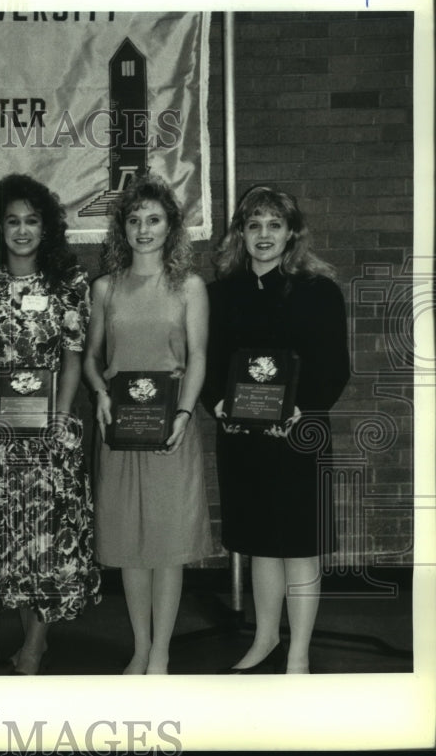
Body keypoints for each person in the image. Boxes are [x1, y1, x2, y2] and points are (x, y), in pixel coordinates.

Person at [0, 174, 102, 676]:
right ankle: (27, 638)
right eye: (12, 221)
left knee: (46, 537)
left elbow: (76, 354)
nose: (21, 230)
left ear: (46, 227)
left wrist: (60, 414)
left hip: (50, 428)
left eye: (31, 220)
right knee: (10, 539)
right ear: (0, 227)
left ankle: (35, 646)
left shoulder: (69, 281)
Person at [202, 185, 349, 675]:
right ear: (240, 234)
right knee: (261, 543)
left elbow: (335, 367)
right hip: (243, 438)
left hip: (299, 434)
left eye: (274, 225)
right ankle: (265, 639)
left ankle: (299, 654)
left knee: (301, 546)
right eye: (253, 225)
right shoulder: (220, 293)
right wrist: (217, 403)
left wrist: (301, 410)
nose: (263, 235)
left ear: (291, 233)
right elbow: (207, 363)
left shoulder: (319, 290)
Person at [83, 172, 211, 675]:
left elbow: (199, 358)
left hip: (170, 430)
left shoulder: (189, 287)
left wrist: (184, 412)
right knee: (129, 544)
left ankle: (162, 651)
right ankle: (140, 645)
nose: (143, 229)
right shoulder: (105, 289)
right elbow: (92, 358)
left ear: (171, 226)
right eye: (134, 220)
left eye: (153, 220)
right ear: (122, 228)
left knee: (167, 543)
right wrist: (97, 394)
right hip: (120, 426)